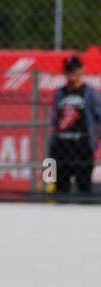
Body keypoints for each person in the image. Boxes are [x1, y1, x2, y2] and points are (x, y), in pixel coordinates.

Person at [50, 55, 101, 197]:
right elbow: (55, 120)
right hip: (61, 147)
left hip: (82, 146)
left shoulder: (90, 93)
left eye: (74, 69)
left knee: (84, 188)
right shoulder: (59, 93)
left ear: (82, 70)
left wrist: (96, 136)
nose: (71, 73)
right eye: (68, 70)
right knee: (59, 188)